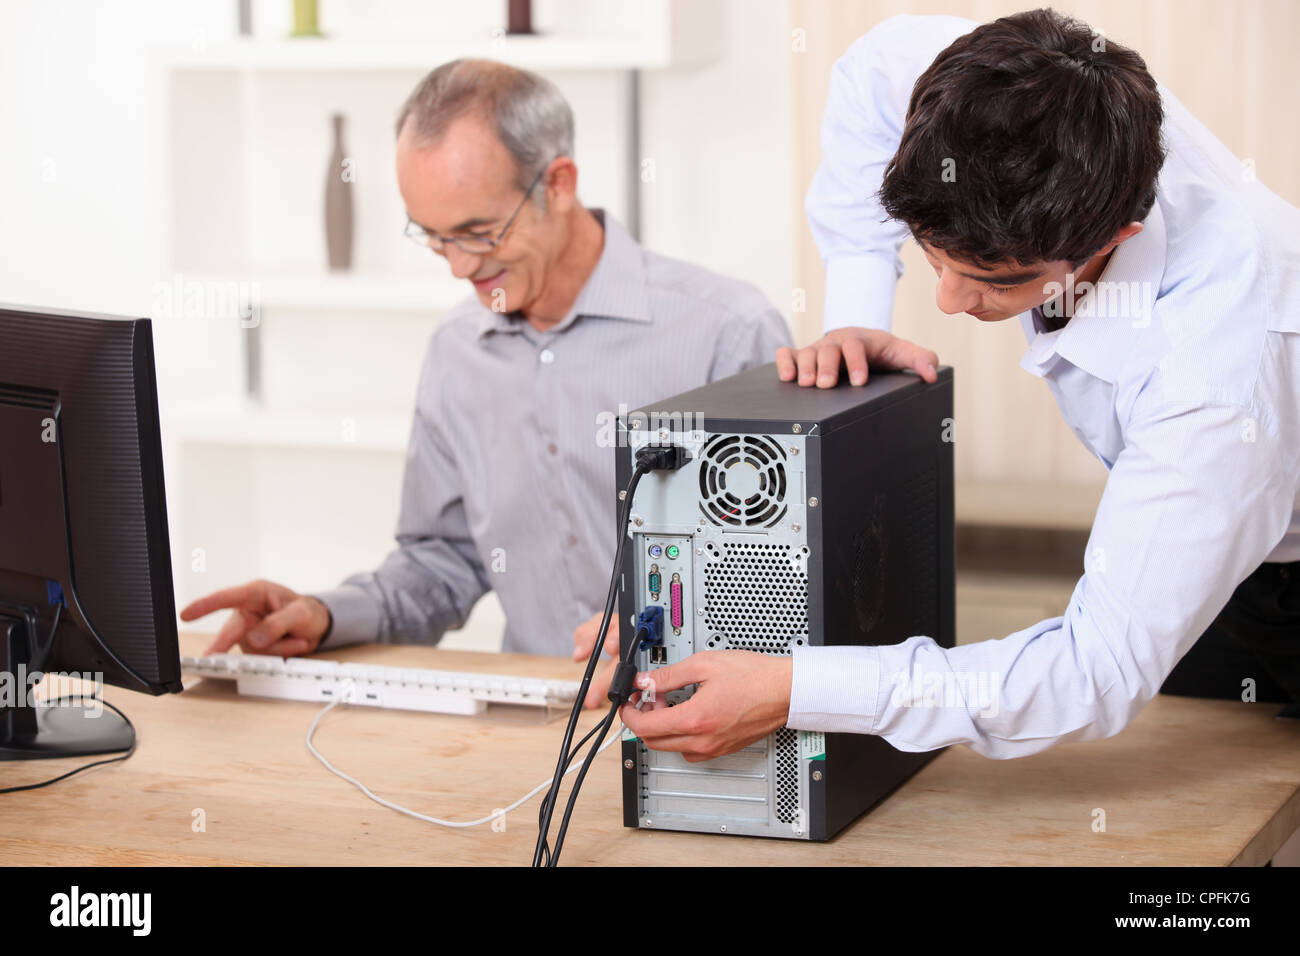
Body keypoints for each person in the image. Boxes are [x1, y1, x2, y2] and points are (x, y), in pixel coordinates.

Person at [618, 8, 1300, 761]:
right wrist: (854, 310)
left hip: (1287, 572)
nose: (945, 301)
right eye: (933, 256)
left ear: (1112, 239)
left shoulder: (1213, 372)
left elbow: (1091, 673)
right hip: (1219, 550)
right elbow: (869, 73)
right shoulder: (987, 98)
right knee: (1192, 750)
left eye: (992, 281)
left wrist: (797, 690)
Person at [180, 60, 792, 695]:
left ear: (558, 183)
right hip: (532, 728)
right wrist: (325, 615)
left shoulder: (727, 331)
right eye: (436, 238)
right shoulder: (455, 352)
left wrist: (668, 639)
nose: (459, 268)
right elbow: (440, 563)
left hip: (704, 734)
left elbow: (782, 585)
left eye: (478, 232)